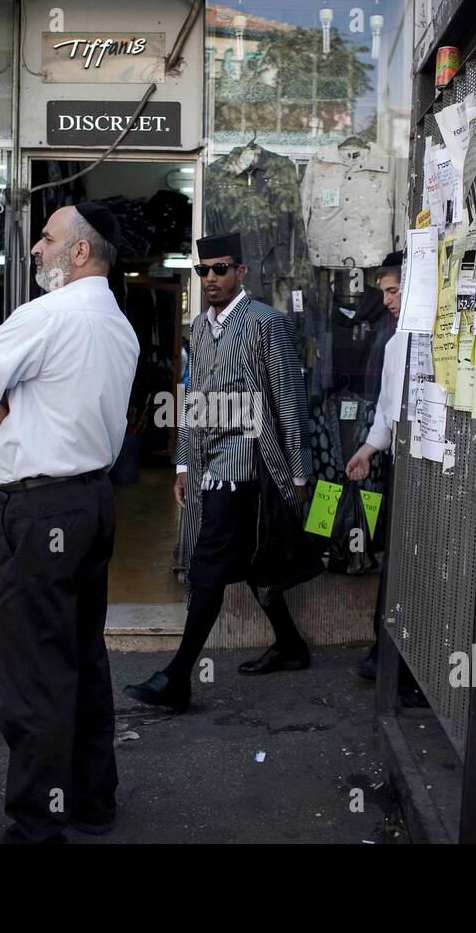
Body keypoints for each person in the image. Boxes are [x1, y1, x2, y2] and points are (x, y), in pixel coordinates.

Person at [0, 202, 138, 844]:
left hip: (45, 507)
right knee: (83, 654)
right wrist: (15, 413)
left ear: (80, 253)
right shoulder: (120, 326)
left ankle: (37, 823)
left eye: (47, 239)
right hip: (92, 502)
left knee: (36, 669)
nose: (35, 250)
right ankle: (91, 800)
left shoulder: (47, 315)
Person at [124, 232, 322, 713]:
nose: (210, 278)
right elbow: (192, 401)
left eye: (220, 269)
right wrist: (185, 462)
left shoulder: (266, 324)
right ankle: (291, 645)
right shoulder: (200, 327)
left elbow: (289, 402)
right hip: (207, 462)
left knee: (208, 565)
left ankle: (177, 677)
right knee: (254, 560)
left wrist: (298, 473)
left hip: (248, 461)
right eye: (203, 271)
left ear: (241, 272)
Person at [341, 252, 426, 707]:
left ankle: (410, 665)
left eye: (394, 291)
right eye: (385, 292)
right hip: (401, 467)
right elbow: (388, 412)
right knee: (395, 561)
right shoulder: (395, 343)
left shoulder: (436, 337)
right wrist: (368, 450)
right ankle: (386, 652)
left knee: (418, 567)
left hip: (433, 472)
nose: (388, 301)